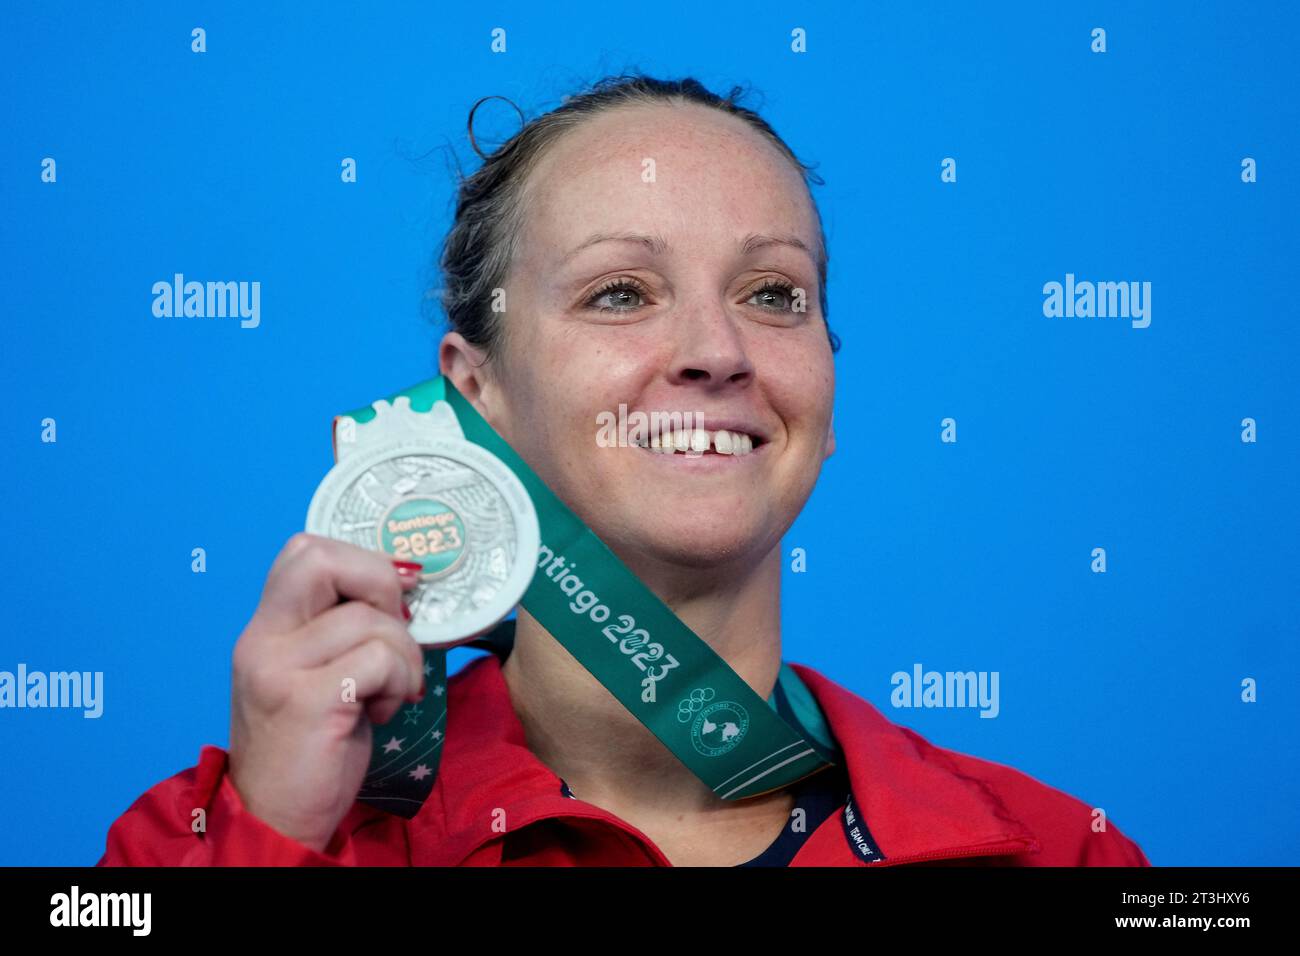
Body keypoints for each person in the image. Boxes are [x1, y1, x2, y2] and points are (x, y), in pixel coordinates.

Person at [97, 74, 1149, 867]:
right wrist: (276, 835)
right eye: (619, 293)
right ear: (474, 399)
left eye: (774, 294)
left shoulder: (1058, 850)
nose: (716, 349)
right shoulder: (205, 837)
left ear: (827, 396)